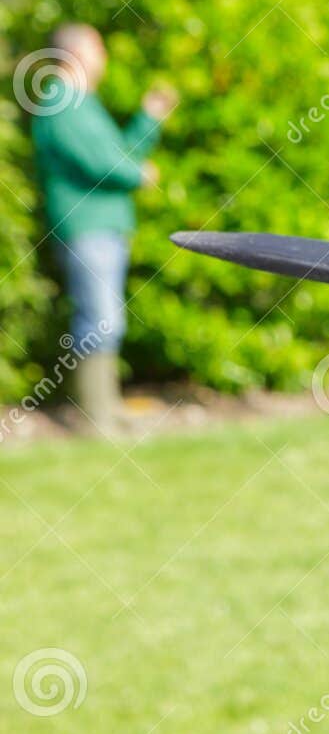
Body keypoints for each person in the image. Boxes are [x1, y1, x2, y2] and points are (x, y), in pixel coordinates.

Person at [29, 23, 177, 435]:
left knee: (108, 320)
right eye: (98, 50)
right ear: (76, 54)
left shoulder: (84, 103)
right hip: (86, 227)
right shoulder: (61, 101)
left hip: (105, 228)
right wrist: (138, 175)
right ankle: (97, 419)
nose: (104, 59)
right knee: (98, 319)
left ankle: (108, 409)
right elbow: (103, 164)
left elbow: (117, 153)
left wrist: (149, 118)